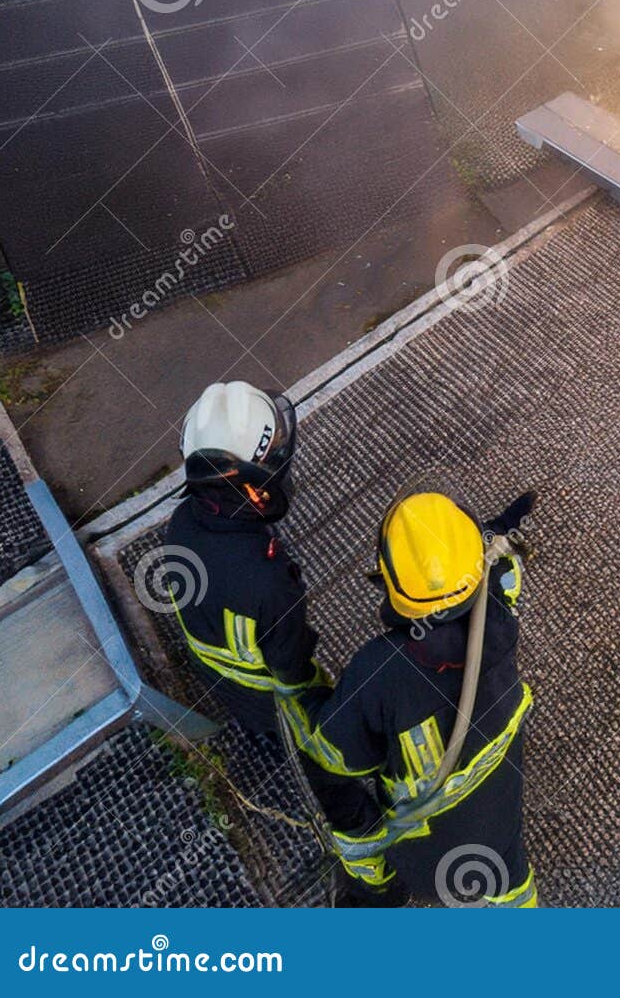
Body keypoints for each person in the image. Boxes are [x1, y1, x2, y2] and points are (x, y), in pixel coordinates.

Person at [166, 381, 379, 896]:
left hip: (226, 685)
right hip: (276, 703)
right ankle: (364, 853)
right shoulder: (269, 580)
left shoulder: (180, 525)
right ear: (251, 484)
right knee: (326, 767)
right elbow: (292, 665)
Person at [294, 489, 537, 908]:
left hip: (421, 856)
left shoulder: (379, 672)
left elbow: (330, 761)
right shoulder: (499, 616)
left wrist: (306, 699)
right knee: (514, 894)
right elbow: (503, 570)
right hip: (497, 833)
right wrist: (495, 535)